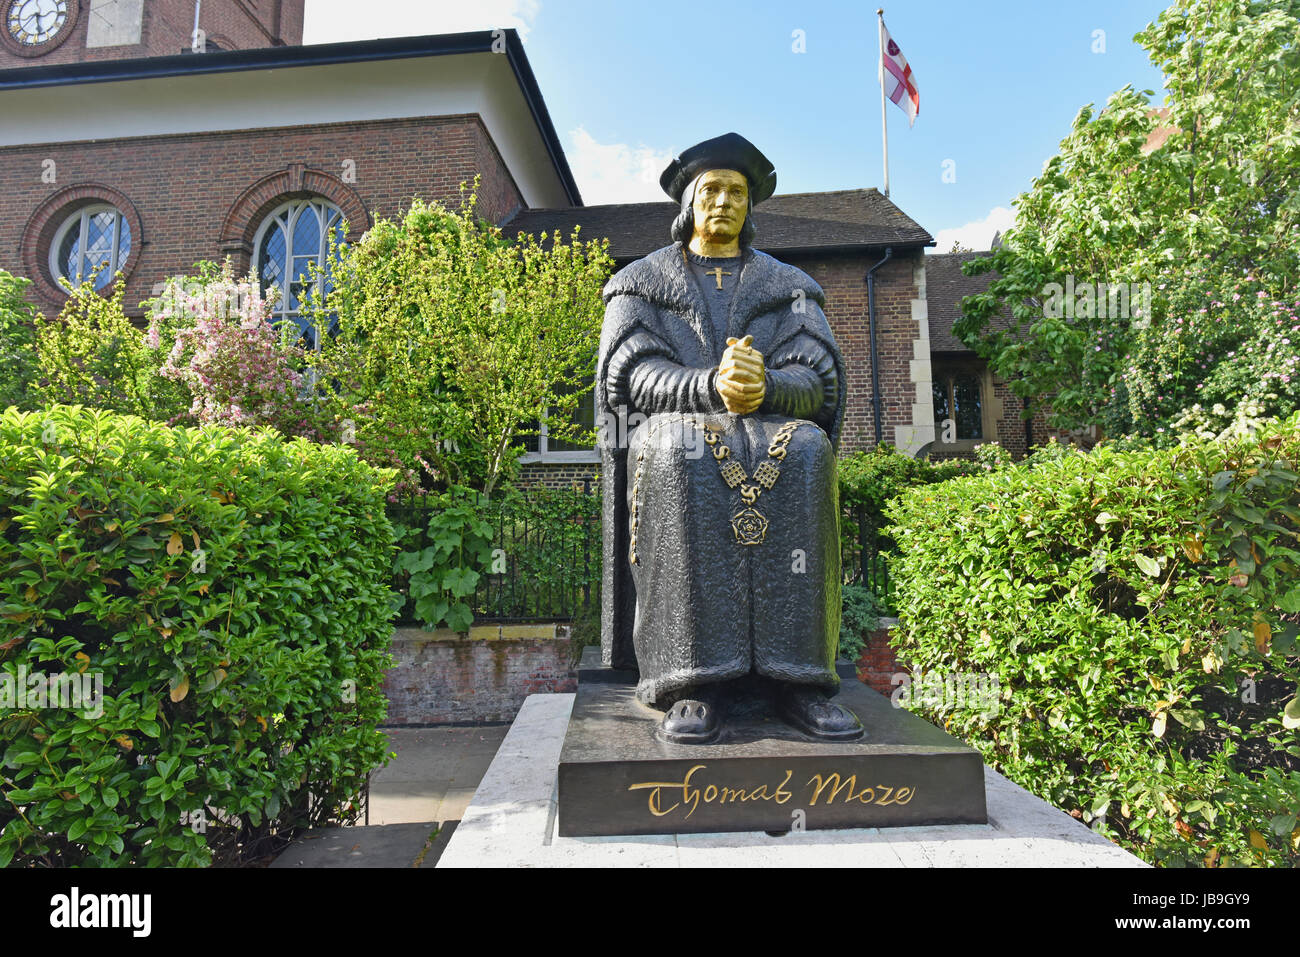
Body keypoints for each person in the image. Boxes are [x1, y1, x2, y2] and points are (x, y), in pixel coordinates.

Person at [595, 132, 862, 743]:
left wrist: (765, 387)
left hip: (767, 426)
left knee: (806, 450)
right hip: (675, 428)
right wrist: (711, 387)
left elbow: (818, 377)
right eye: (711, 189)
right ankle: (691, 681)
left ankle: (798, 680)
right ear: (688, 202)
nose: (724, 202)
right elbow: (629, 372)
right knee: (675, 452)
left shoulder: (788, 287)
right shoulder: (640, 283)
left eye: (737, 192)